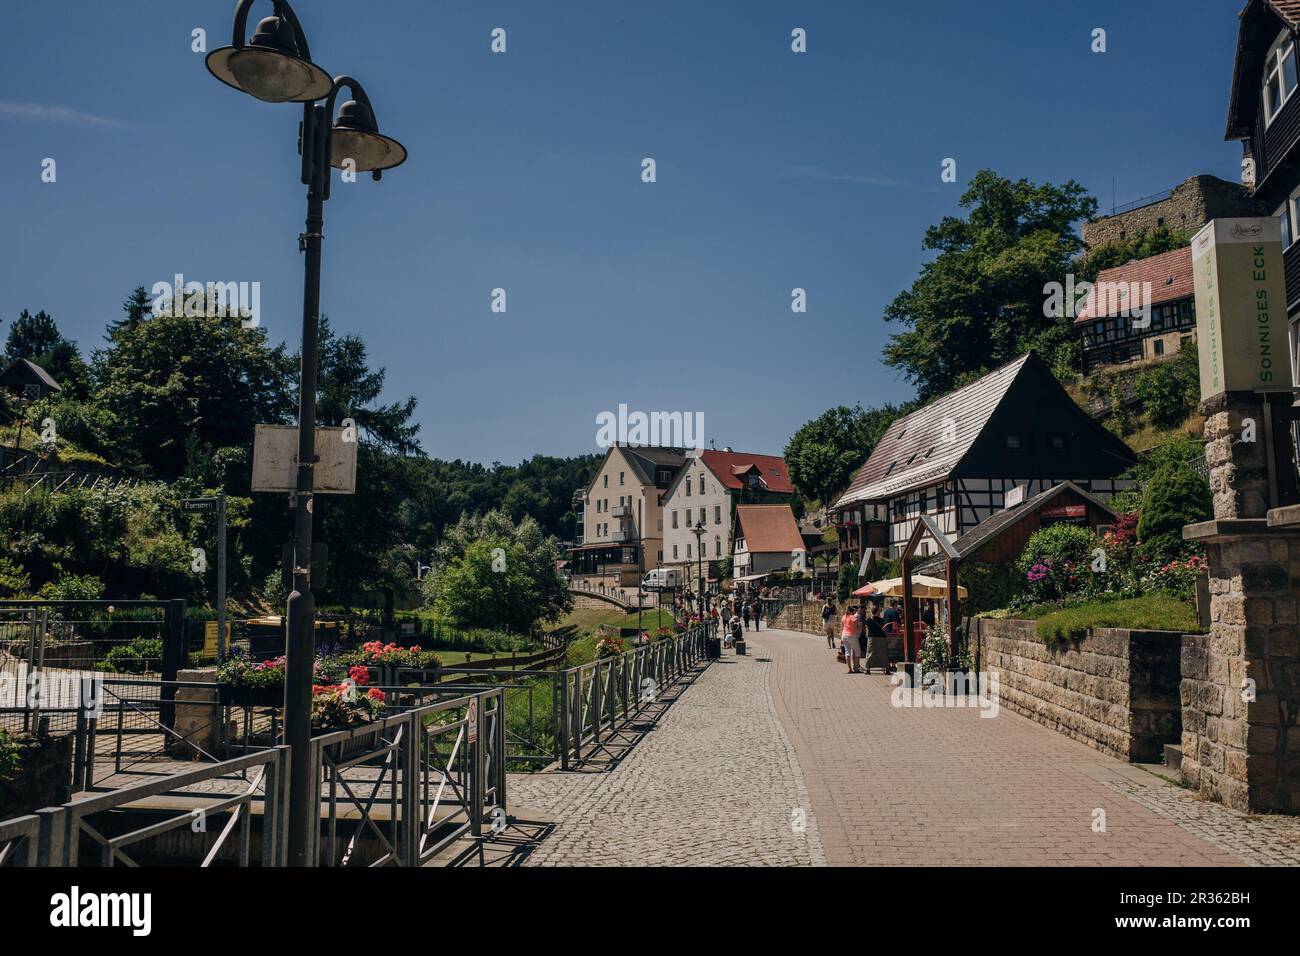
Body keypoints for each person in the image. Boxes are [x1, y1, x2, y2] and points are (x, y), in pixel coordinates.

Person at [863, 604, 891, 674]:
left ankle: (868, 669)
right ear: (878, 612)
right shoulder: (881, 620)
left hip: (872, 638)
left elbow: (867, 629)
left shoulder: (868, 620)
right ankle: (887, 669)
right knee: (883, 653)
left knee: (870, 653)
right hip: (881, 638)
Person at [840, 605, 864, 673]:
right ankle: (856, 668)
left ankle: (849, 669)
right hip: (852, 635)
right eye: (854, 611)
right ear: (852, 611)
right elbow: (856, 627)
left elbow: (842, 627)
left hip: (844, 635)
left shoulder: (844, 616)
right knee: (857, 652)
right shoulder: (853, 618)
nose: (855, 612)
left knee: (847, 652)